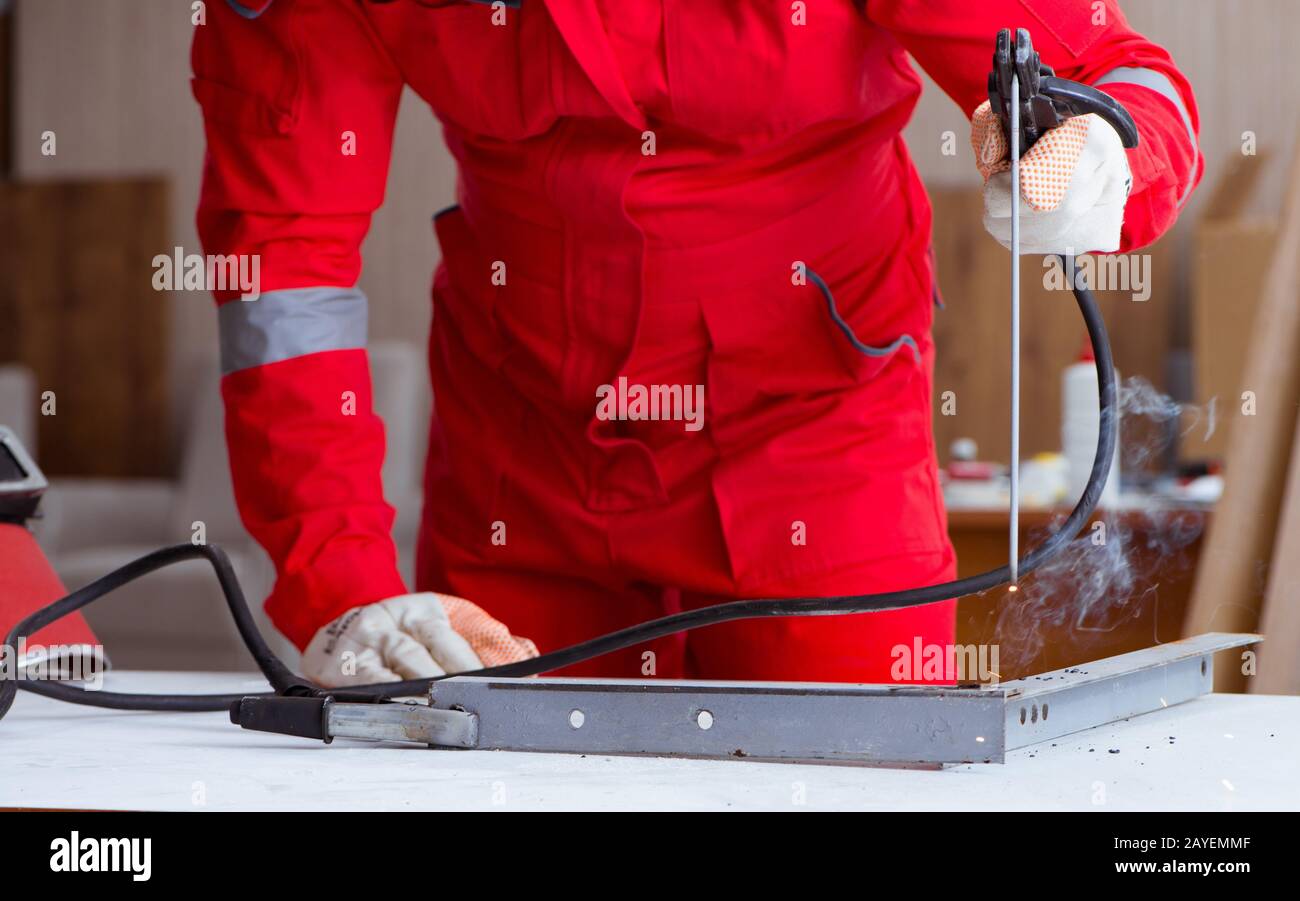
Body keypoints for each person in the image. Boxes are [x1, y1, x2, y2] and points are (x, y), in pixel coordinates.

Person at [194, 0, 1201, 686]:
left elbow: (1115, 72)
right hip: (520, 474)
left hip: (820, 461)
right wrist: (340, 587)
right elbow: (282, 265)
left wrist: (1109, 151)